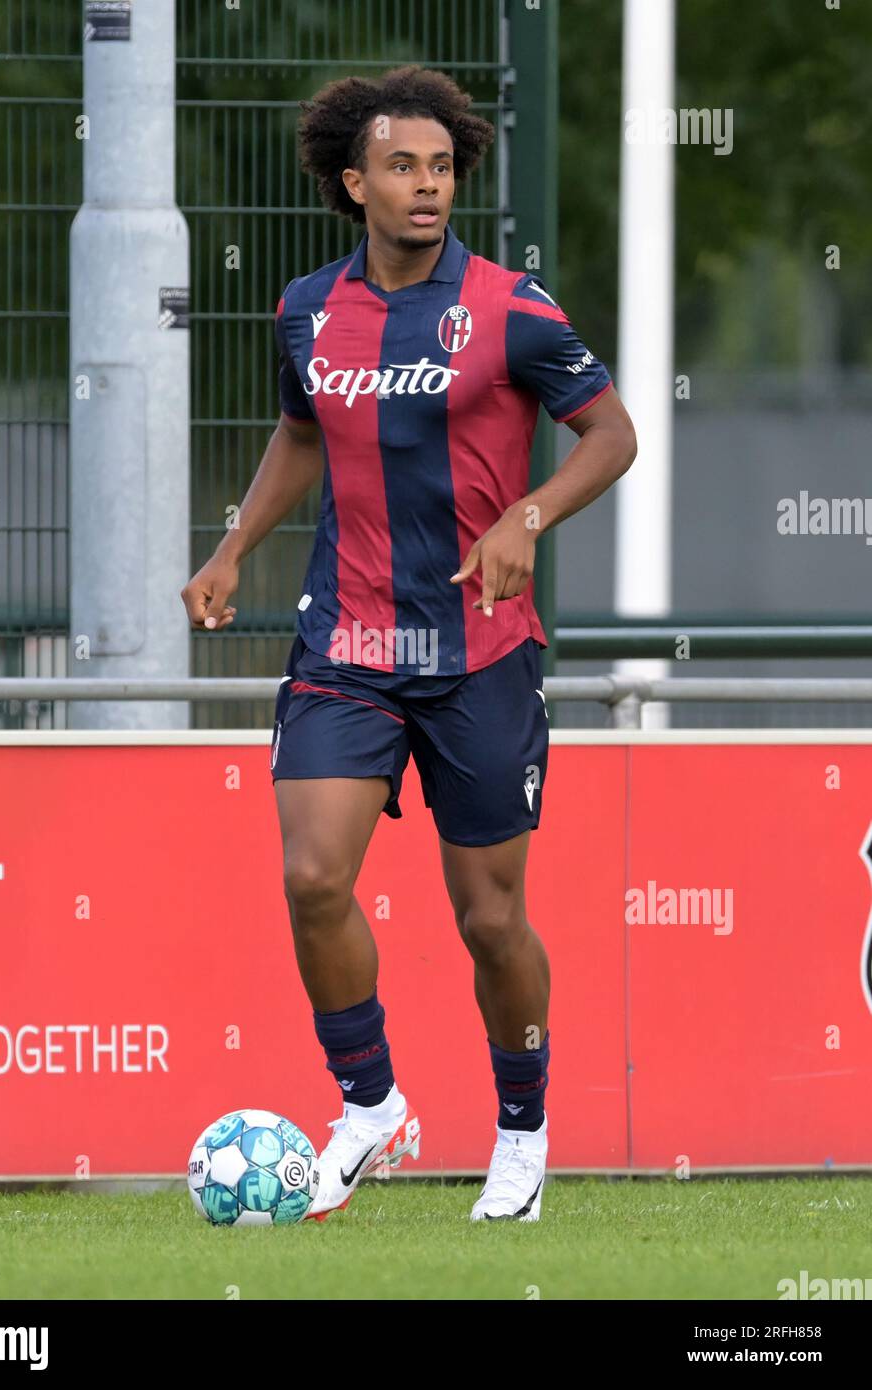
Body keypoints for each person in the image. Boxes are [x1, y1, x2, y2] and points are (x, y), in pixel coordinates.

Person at [182, 65, 636, 1221]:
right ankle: (372, 1105)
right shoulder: (305, 310)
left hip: (481, 654)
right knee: (311, 875)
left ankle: (524, 1133)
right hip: (345, 642)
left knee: (490, 918)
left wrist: (526, 516)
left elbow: (613, 433)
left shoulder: (511, 307)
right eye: (402, 166)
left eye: (441, 167)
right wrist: (233, 549)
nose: (426, 186)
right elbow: (299, 434)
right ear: (354, 182)